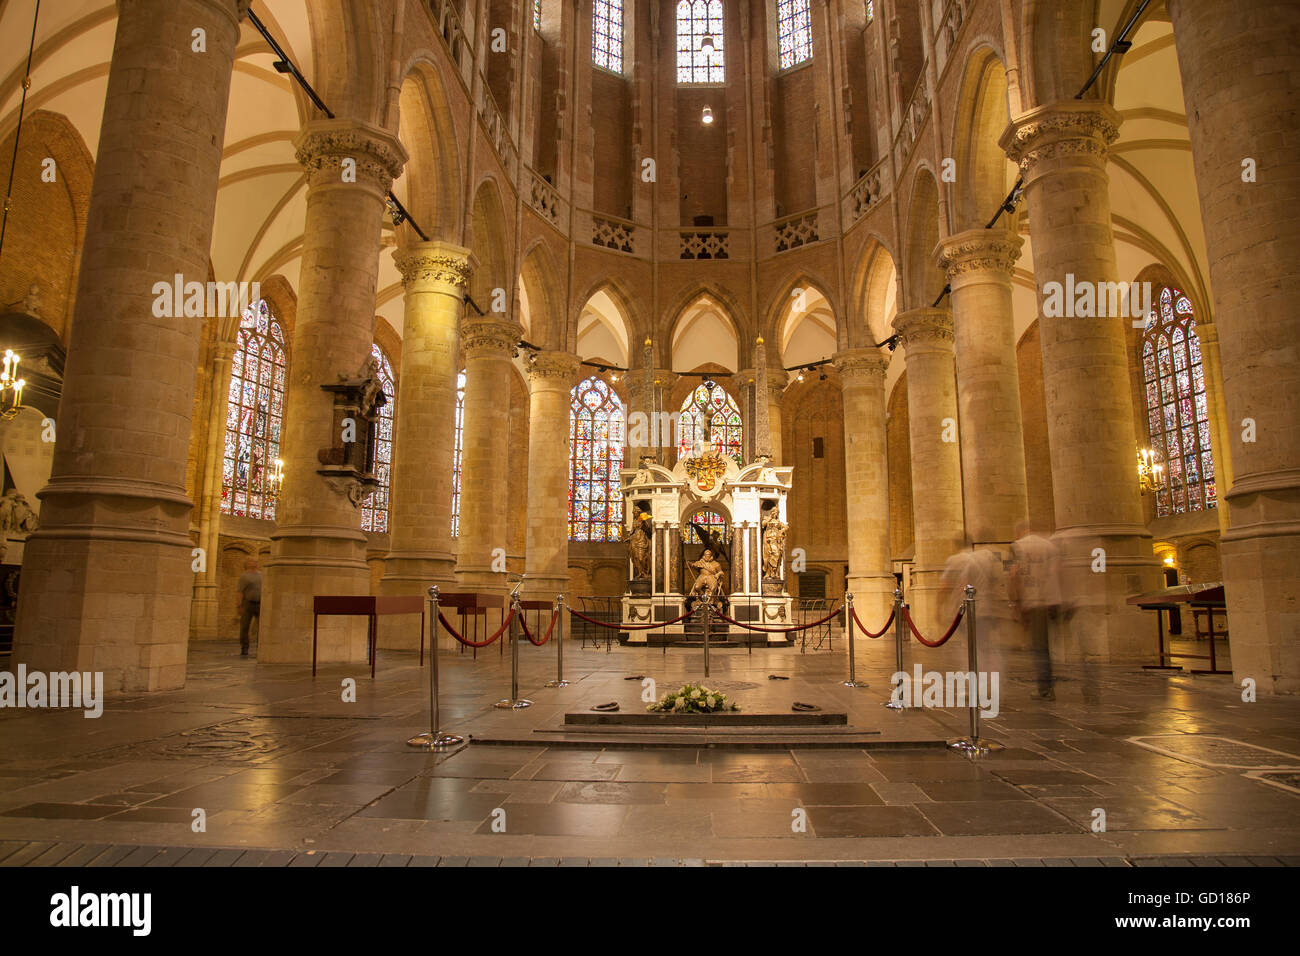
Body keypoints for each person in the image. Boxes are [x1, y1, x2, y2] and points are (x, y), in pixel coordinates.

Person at [1008, 521, 1064, 700]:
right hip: (1051, 598)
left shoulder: (1018, 547)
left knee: (1039, 647)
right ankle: (1047, 684)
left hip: (1033, 600)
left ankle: (1045, 688)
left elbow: (1014, 575)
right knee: (1046, 645)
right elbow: (1058, 571)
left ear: (1020, 532)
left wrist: (1015, 602)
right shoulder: (1049, 545)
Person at [236, 557, 262, 657]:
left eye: (255, 561)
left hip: (260, 603)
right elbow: (239, 592)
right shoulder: (244, 576)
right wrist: (239, 605)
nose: (253, 563)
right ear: (247, 564)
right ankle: (244, 647)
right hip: (248, 603)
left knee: (261, 627)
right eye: (251, 561)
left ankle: (260, 647)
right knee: (245, 626)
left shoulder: (260, 575)